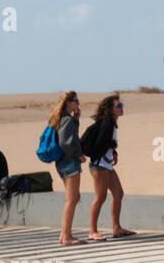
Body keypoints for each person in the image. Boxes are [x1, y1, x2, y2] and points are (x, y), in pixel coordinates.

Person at [85, 94, 134, 240]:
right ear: (110, 109)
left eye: (121, 105)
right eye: (118, 106)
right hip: (99, 165)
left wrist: (114, 151)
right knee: (100, 197)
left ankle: (116, 228)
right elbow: (101, 144)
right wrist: (112, 146)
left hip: (105, 164)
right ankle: (92, 231)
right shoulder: (107, 124)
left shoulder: (110, 124)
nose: (121, 108)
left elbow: (105, 143)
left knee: (118, 193)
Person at [50, 92, 89, 245]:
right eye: (76, 101)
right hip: (69, 162)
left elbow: (68, 137)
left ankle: (63, 234)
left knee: (74, 197)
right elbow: (66, 142)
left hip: (62, 162)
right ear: (68, 103)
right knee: (71, 200)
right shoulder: (66, 119)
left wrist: (76, 121)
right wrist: (78, 155)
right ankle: (66, 236)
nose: (78, 103)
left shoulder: (63, 119)